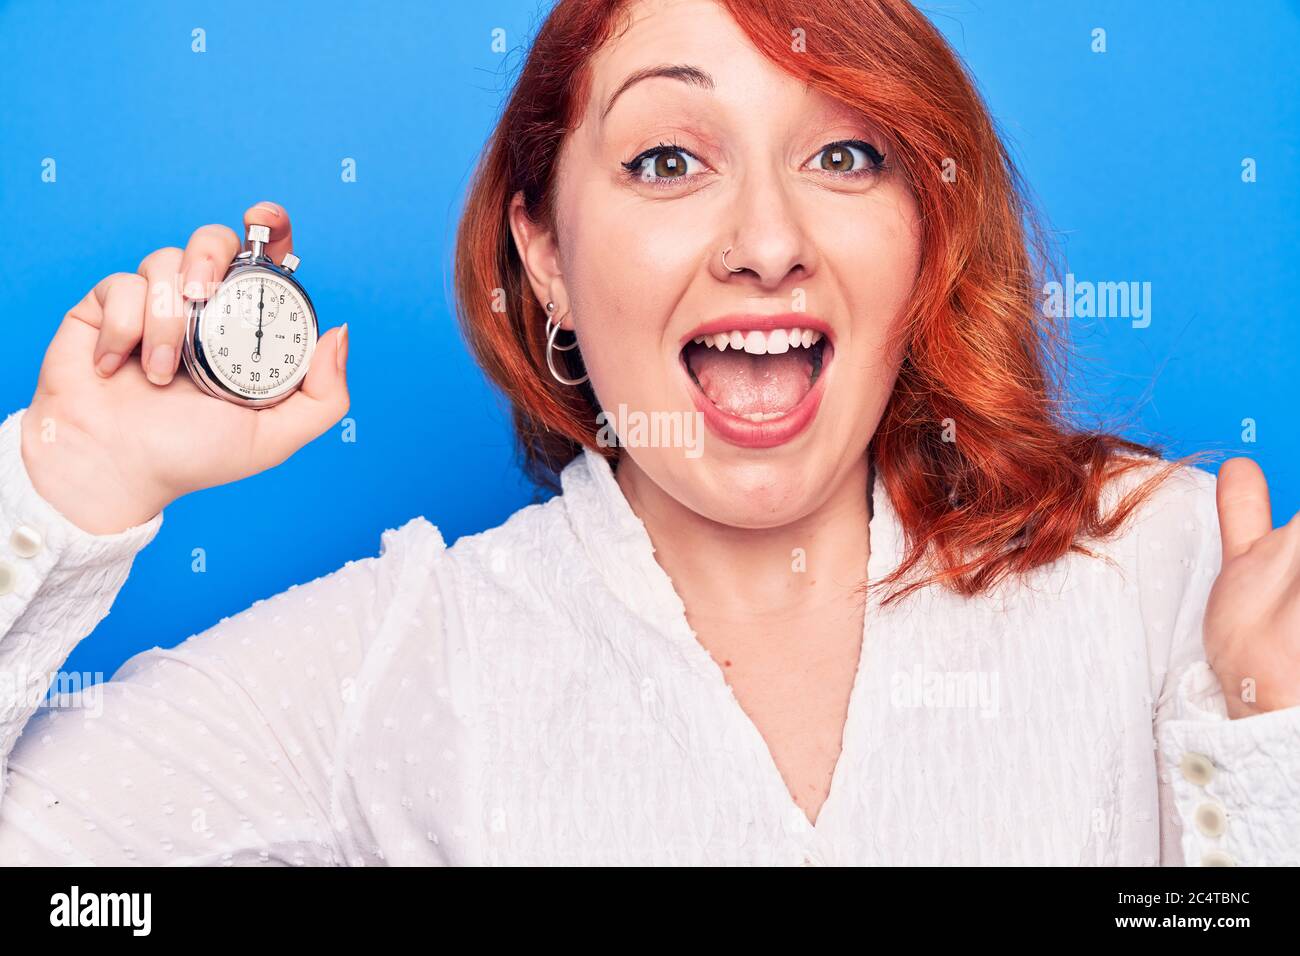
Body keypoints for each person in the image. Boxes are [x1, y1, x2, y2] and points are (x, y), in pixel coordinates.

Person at [1, 0, 1297, 867]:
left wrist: (1262, 766)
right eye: (669, 162)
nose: (770, 242)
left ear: (925, 232)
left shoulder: (1154, 569)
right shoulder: (408, 657)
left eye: (847, 156)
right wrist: (72, 483)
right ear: (547, 256)